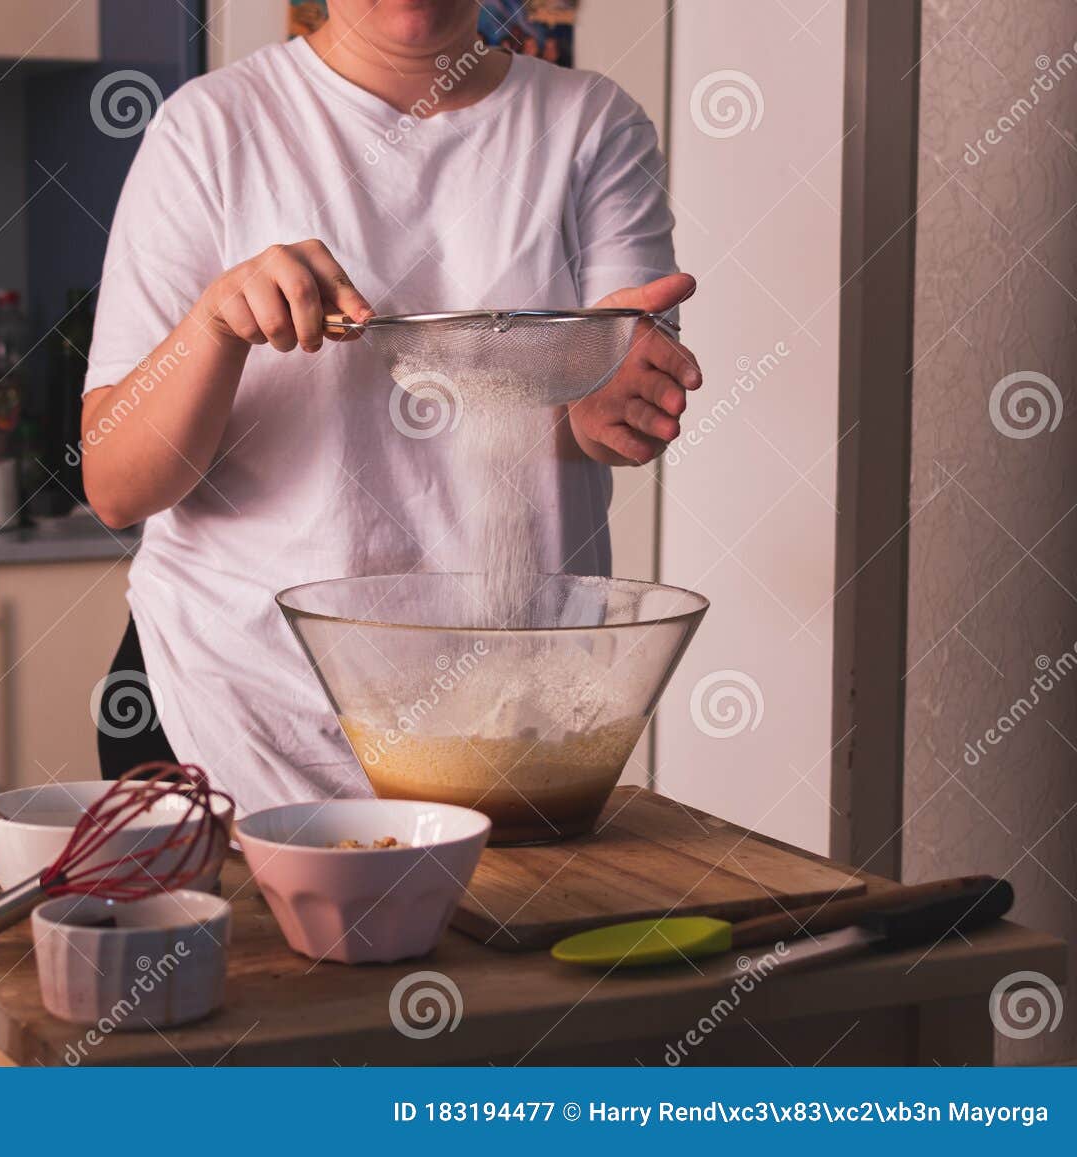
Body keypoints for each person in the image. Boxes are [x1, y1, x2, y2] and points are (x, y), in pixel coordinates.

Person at [81, 0, 701, 812]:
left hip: (500, 723)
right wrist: (218, 325)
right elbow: (116, 484)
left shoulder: (589, 124)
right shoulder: (211, 128)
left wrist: (601, 407)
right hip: (233, 707)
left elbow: (603, 405)